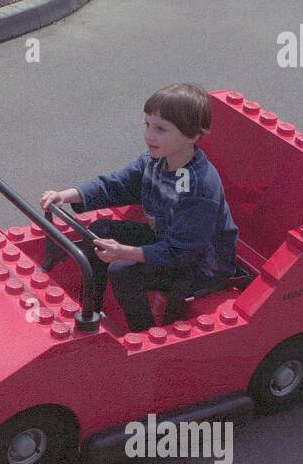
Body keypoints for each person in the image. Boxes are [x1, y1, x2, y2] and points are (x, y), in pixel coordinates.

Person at [39, 83, 239, 332]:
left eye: (160, 129)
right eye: (147, 125)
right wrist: (67, 195)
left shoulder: (200, 188)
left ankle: (143, 334)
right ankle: (91, 311)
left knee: (123, 270)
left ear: (192, 135)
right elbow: (117, 184)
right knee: (99, 232)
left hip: (200, 264)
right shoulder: (154, 162)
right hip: (166, 239)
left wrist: (124, 252)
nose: (149, 135)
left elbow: (181, 252)